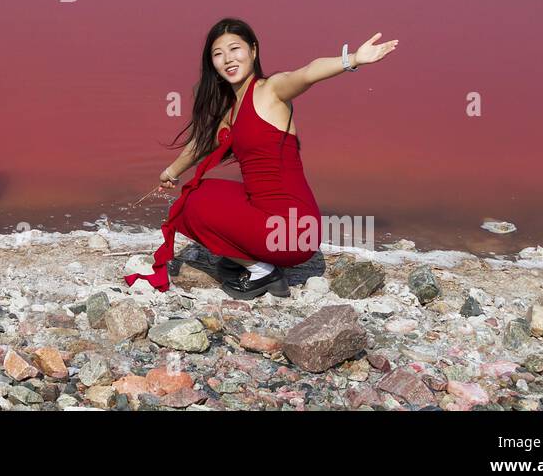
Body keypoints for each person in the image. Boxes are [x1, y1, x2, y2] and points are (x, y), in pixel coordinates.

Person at [128, 18, 398, 299]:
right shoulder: (232, 112)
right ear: (213, 65)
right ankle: (250, 256)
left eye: (235, 49)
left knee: (192, 206)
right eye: (218, 54)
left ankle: (262, 272)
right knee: (200, 191)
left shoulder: (271, 90)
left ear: (253, 51)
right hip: (271, 220)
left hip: (293, 231)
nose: (228, 59)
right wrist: (170, 173)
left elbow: (306, 74)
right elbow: (201, 146)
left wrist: (352, 59)